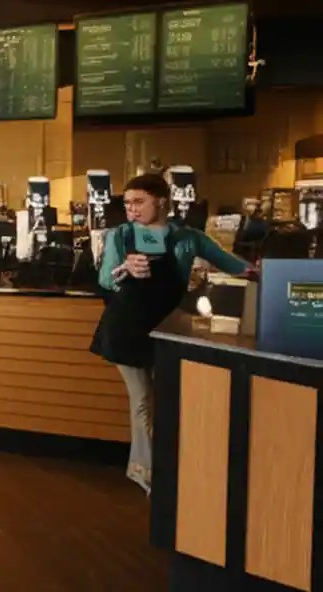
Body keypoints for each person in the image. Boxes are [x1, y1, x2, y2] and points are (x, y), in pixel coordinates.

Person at [92, 173, 251, 495]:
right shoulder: (120, 236)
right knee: (144, 400)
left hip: (169, 330)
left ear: (161, 201)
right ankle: (149, 475)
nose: (131, 210)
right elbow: (107, 280)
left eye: (139, 202)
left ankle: (161, 467)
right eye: (127, 203)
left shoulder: (188, 237)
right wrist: (124, 268)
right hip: (127, 328)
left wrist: (269, 274)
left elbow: (233, 265)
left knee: (164, 399)